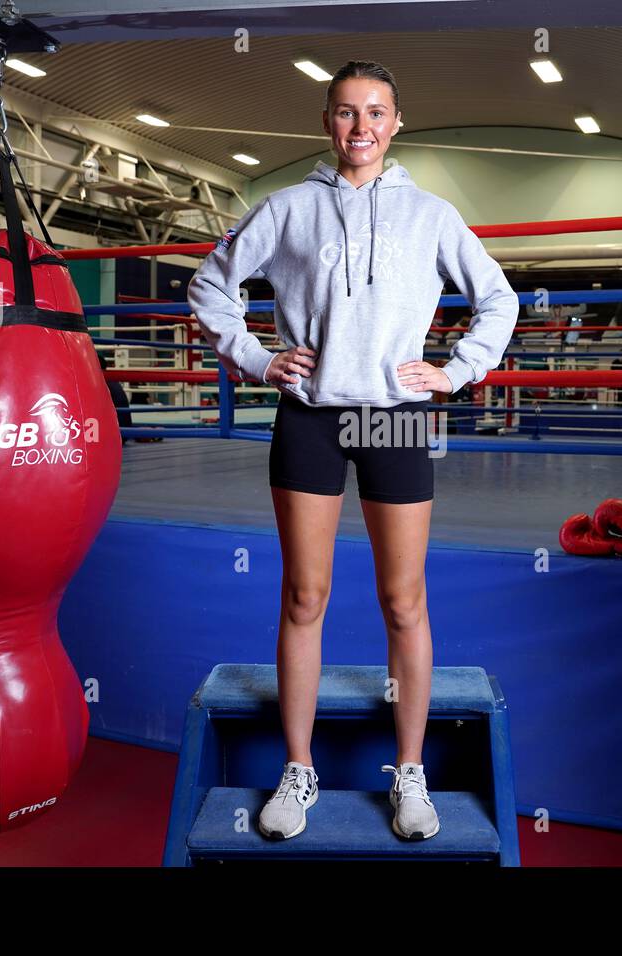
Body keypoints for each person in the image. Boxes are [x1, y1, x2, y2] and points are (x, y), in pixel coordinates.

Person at [188, 60, 518, 842]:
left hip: (397, 418)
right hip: (310, 416)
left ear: (397, 123)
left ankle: (410, 772)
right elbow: (210, 286)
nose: (360, 127)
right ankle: (297, 770)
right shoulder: (288, 208)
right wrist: (259, 358)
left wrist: (456, 371)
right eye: (345, 112)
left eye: (375, 113)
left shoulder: (431, 215)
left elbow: (497, 298)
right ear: (327, 122)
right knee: (305, 597)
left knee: (404, 602)